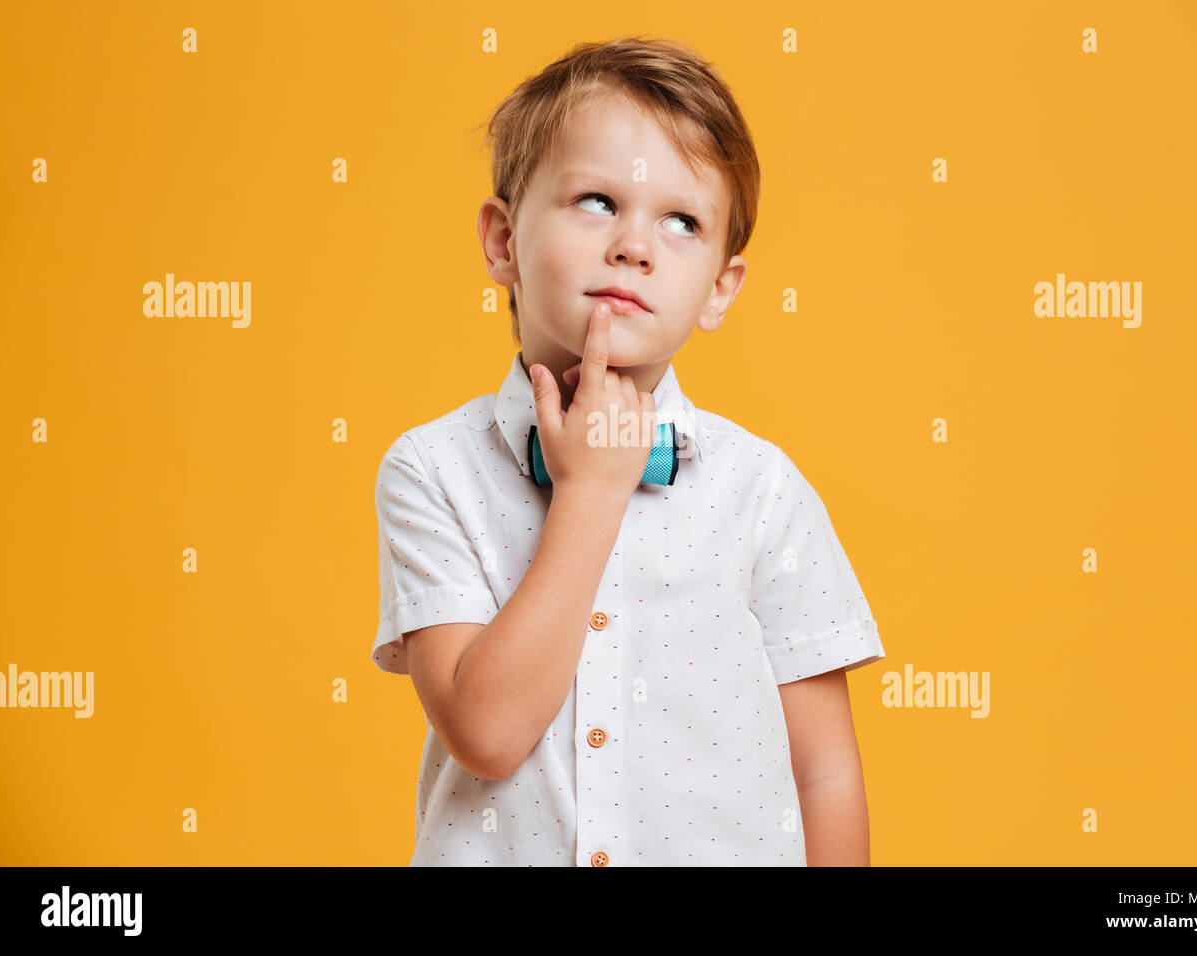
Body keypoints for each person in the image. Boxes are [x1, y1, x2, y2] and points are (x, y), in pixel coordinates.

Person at [373, 35, 886, 866]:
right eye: (597, 201)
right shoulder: (432, 470)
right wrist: (591, 492)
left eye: (682, 222)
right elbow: (488, 734)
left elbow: (824, 770)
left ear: (721, 288)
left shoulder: (762, 491)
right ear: (503, 241)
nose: (635, 247)